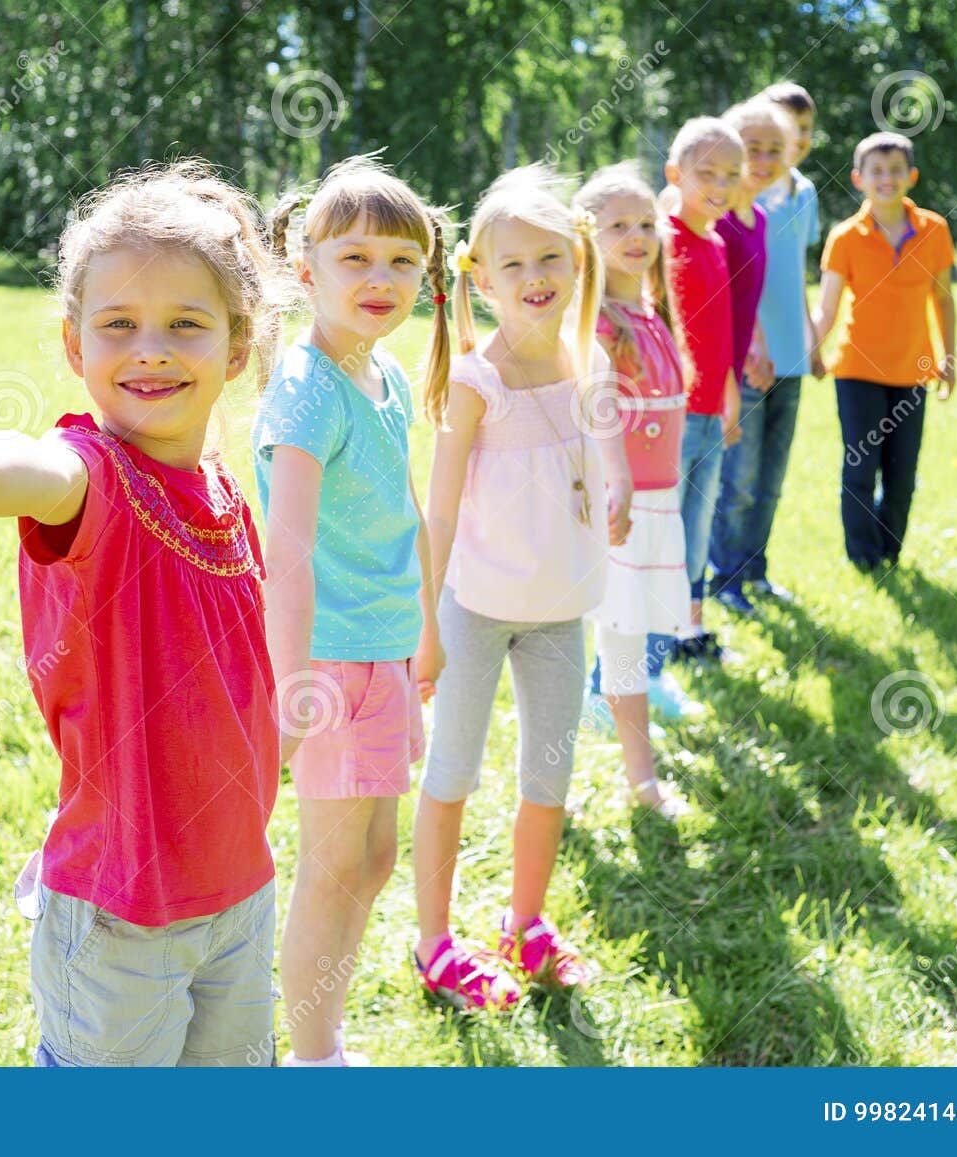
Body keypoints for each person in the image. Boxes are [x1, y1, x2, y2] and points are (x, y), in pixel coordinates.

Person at [0, 161, 290, 1066]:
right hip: (122, 914)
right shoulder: (94, 474)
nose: (150, 347)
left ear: (236, 347)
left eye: (185, 324)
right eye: (118, 325)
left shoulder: (222, 484)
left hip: (240, 886)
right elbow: (35, 467)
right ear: (76, 346)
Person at [414, 164, 632, 1009]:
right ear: (480, 276)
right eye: (514, 265)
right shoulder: (477, 383)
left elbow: (606, 452)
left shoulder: (589, 363)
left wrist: (615, 487)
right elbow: (436, 517)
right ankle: (433, 939)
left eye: (551, 259)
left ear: (578, 263)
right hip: (475, 611)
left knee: (549, 776)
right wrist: (428, 627)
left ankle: (525, 921)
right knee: (452, 772)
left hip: (558, 617)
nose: (535, 278)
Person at [255, 156, 446, 1066]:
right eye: (356, 258)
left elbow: (403, 511)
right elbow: (284, 552)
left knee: (372, 859)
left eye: (403, 262)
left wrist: (421, 644)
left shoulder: (386, 376)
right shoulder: (303, 389)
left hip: (385, 653)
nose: (381, 280)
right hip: (327, 665)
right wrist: (290, 684)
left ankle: (315, 1034)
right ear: (307, 272)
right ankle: (312, 1056)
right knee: (333, 869)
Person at [574, 162, 692, 821]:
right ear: (585, 238)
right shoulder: (596, 325)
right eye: (617, 224)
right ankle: (555, 777)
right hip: (612, 514)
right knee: (589, 652)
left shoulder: (650, 314)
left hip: (653, 508)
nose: (637, 234)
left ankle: (640, 779)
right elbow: (597, 413)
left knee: (628, 652)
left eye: (646, 222)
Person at [812, 131, 957, 572]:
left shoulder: (934, 230)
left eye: (895, 170)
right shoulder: (844, 237)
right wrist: (814, 349)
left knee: (901, 474)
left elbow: (944, 299)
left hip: (913, 370)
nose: (886, 179)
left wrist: (949, 358)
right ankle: (863, 556)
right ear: (859, 178)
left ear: (911, 176)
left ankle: (889, 553)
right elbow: (828, 305)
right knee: (859, 469)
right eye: (876, 171)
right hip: (856, 370)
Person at [707, 97, 798, 616]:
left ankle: (752, 571)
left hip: (753, 359)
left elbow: (747, 294)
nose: (762, 161)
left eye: (774, 150)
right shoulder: (717, 217)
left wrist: (759, 342)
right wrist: (744, 356)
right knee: (737, 479)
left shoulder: (760, 216)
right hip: (723, 371)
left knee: (767, 477)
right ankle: (724, 580)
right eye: (752, 149)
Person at [659, 117, 743, 671]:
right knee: (663, 531)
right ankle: (652, 645)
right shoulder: (662, 239)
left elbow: (721, 330)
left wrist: (731, 397)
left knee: (695, 529)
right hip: (672, 416)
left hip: (712, 411)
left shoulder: (715, 240)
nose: (718, 185)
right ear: (674, 173)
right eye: (705, 173)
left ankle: (689, 628)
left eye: (729, 175)